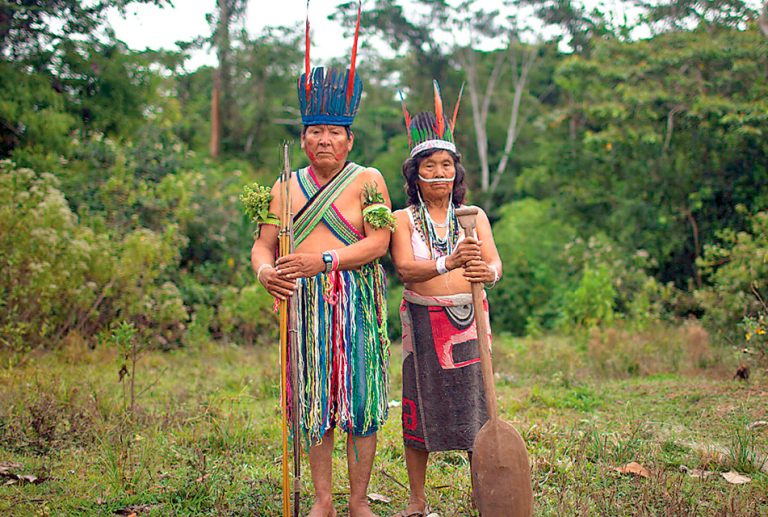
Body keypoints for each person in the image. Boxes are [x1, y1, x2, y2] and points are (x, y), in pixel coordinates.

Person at [250, 16, 396, 517]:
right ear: (305, 137)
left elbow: (379, 242)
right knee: (313, 403)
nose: (324, 140)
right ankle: (322, 501)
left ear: (349, 139)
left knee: (360, 401)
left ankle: (359, 502)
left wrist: (325, 260)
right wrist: (266, 272)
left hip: (354, 301)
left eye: (335, 131)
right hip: (305, 308)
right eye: (316, 131)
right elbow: (263, 247)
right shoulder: (284, 186)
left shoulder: (370, 180)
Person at [389, 84, 503, 517]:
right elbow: (404, 269)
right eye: (429, 167)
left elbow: (495, 265)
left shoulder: (473, 216)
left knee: (478, 407)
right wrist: (449, 261)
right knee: (418, 412)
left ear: (457, 172)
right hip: (422, 323)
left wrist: (485, 273)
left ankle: (484, 497)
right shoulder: (402, 220)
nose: (439, 174)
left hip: (468, 321)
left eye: (446, 166)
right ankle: (417, 502)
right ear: (414, 175)